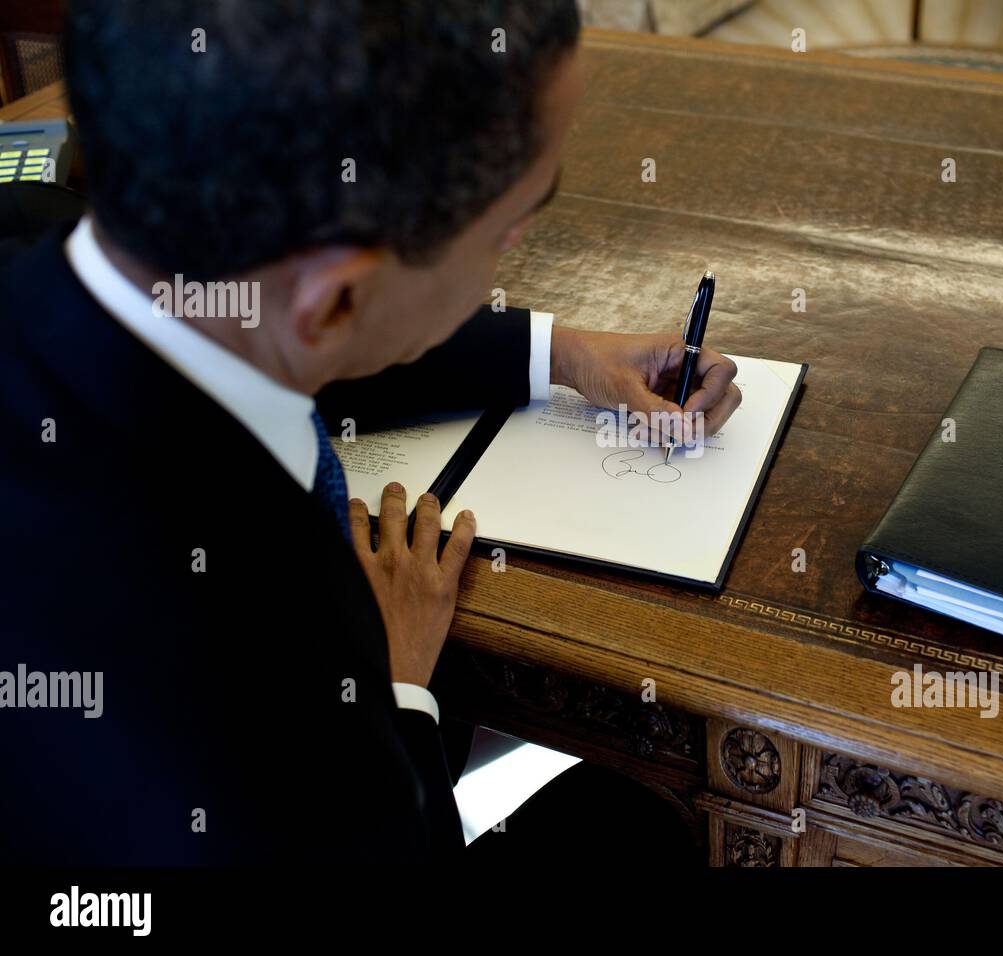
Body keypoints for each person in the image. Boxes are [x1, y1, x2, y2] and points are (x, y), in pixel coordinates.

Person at [0, 0, 738, 863]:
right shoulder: (258, 782)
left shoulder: (35, 223)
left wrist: (560, 354)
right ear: (339, 300)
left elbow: (275, 310)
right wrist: (389, 692)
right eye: (518, 223)